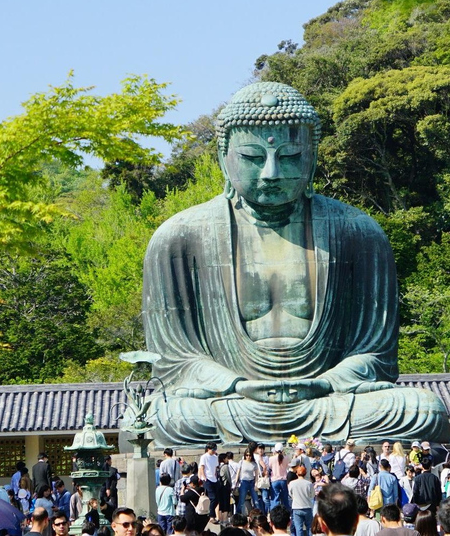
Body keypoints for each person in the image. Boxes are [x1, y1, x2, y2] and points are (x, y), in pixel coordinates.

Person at [141, 82, 449, 446]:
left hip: (327, 398)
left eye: (289, 156)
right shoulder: (179, 237)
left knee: (424, 409)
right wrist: (237, 385)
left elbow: (376, 355)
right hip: (232, 401)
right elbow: (174, 361)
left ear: (312, 159)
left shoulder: (357, 232)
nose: (271, 173)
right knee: (162, 416)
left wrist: (325, 383)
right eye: (253, 157)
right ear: (224, 157)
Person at [288, 465, 314, 536]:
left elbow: (290, 494)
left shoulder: (292, 483)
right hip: (307, 507)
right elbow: (312, 495)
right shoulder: (309, 484)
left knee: (298, 528)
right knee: (309, 527)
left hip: (296, 507)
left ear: (297, 473)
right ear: (305, 474)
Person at [235, 447, 260, 515]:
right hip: (244, 482)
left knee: (256, 501)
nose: (248, 457)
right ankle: (238, 514)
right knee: (241, 500)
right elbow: (238, 472)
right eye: (247, 455)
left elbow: (256, 475)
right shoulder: (241, 462)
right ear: (245, 455)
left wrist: (256, 483)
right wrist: (236, 482)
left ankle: (258, 515)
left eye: (250, 455)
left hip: (252, 482)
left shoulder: (254, 463)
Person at [198, 443, 219, 521]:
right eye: (213, 449)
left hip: (214, 479)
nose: (214, 451)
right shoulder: (204, 457)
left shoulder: (215, 457)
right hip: (207, 479)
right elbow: (202, 467)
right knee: (212, 497)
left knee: (216, 498)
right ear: (208, 449)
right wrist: (204, 477)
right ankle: (211, 516)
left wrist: (215, 476)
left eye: (215, 449)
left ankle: (210, 513)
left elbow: (215, 468)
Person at [269, 444, 289, 511]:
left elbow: (270, 467)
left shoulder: (271, 458)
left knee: (275, 498)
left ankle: (274, 512)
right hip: (283, 479)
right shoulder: (286, 458)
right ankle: (286, 511)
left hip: (274, 480)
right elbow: (287, 466)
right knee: (285, 498)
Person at [218, 453, 232, 523]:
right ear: (224, 459)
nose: (227, 459)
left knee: (221, 503)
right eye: (226, 458)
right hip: (225, 486)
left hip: (219, 487)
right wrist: (231, 485)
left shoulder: (218, 466)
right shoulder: (225, 466)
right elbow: (228, 477)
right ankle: (225, 519)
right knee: (226, 502)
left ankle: (220, 518)